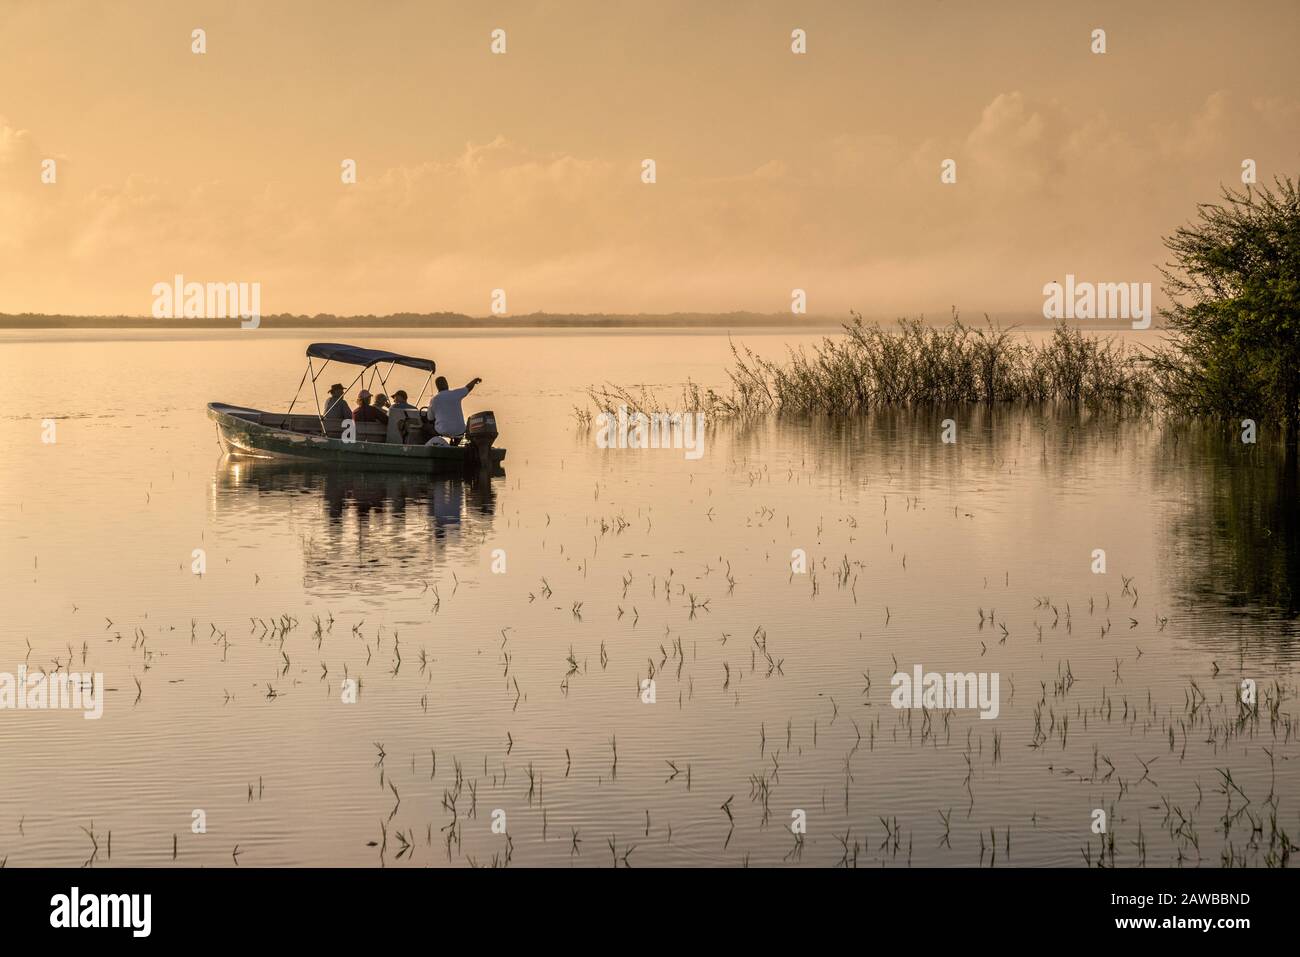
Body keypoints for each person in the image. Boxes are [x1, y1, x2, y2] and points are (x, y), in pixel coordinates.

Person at [425, 375, 482, 446]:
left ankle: (431, 445)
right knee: (457, 432)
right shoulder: (455, 394)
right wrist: (474, 381)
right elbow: (468, 388)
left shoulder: (434, 400)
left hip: (443, 431)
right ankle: (455, 445)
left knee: (427, 427)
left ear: (437, 387)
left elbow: (430, 418)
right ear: (446, 384)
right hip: (460, 430)